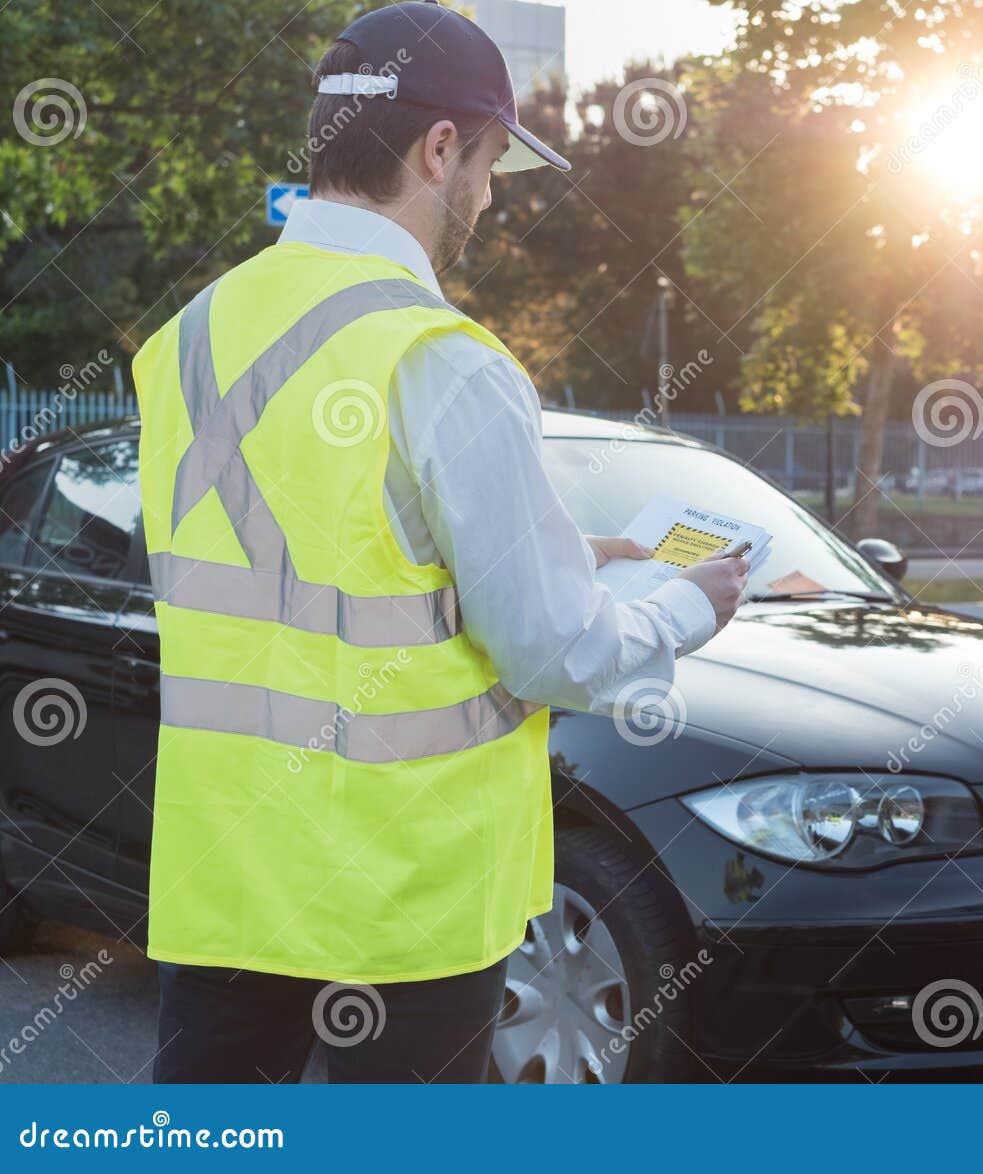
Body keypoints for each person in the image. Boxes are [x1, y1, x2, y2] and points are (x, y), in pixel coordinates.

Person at [131, 0, 746, 1084]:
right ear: (439, 148)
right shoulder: (440, 358)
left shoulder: (187, 339)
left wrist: (547, 551)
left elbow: (285, 573)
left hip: (226, 876)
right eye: (494, 162)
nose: (491, 194)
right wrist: (692, 604)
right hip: (400, 900)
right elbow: (554, 655)